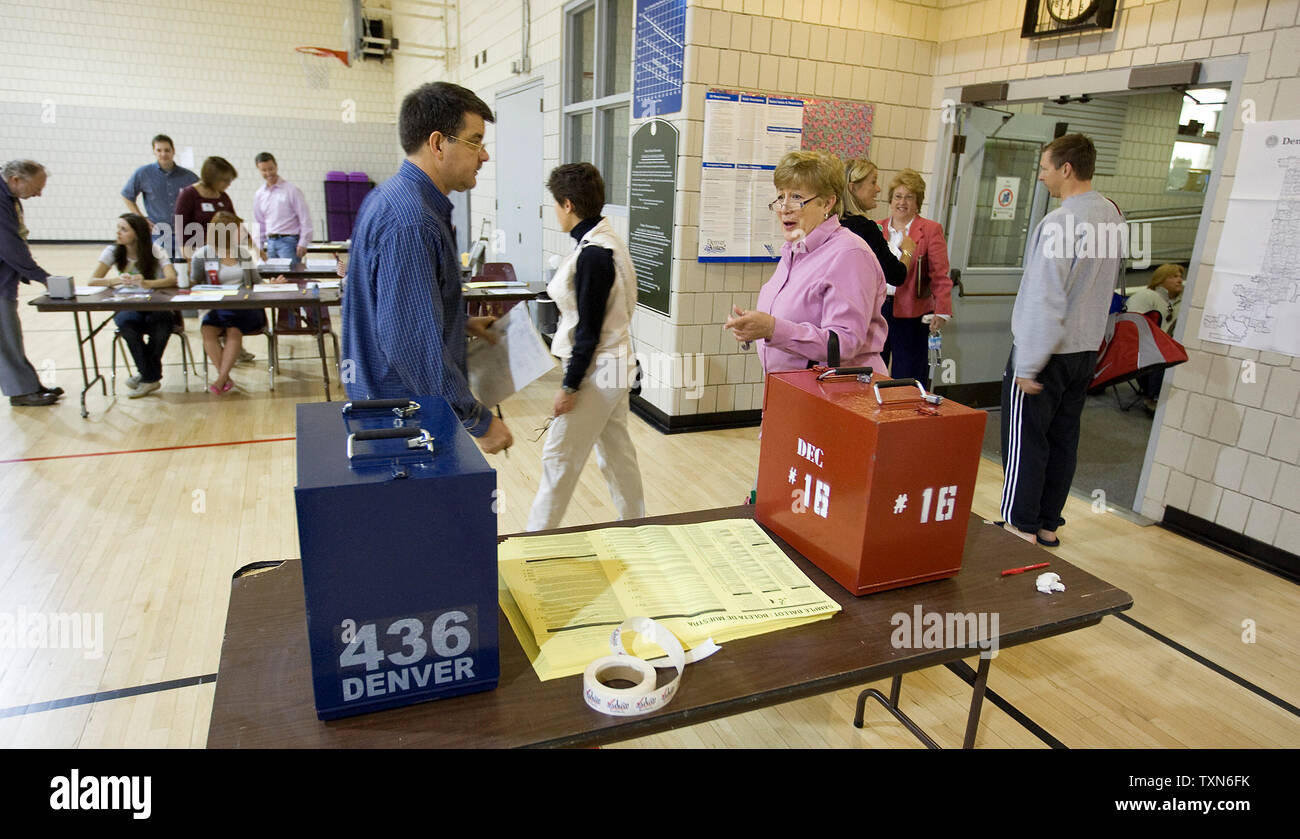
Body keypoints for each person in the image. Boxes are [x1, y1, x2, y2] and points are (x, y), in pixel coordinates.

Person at [341, 81, 512, 455]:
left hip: (387, 405)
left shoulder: (388, 198)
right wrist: (477, 420)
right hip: (405, 416)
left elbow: (388, 306)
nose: (484, 156)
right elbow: (410, 347)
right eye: (475, 141)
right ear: (438, 144)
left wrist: (457, 320)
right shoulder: (413, 221)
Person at [999, 134, 1124, 547]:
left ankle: (1020, 526)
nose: (1041, 175)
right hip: (1085, 351)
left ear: (1066, 169)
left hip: (1047, 353)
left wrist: (1029, 363)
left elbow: (1046, 294)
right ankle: (1048, 524)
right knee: (1063, 439)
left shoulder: (1059, 223)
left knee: (1026, 441)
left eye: (1045, 167)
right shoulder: (1112, 215)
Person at [527, 164, 646, 531]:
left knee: (559, 456)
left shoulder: (594, 254)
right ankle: (637, 526)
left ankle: (534, 541)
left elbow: (588, 333)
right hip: (616, 365)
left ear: (567, 204)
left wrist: (569, 386)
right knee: (616, 453)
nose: (554, 212)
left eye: (554, 205)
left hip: (598, 371)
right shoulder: (605, 241)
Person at [724, 150, 887, 376]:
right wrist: (754, 328)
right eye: (781, 196)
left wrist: (772, 328)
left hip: (837, 397)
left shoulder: (849, 254)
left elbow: (844, 344)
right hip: (792, 392)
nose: (784, 208)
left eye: (797, 198)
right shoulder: (796, 250)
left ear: (827, 203)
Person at [189, 212, 284, 394]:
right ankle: (225, 377)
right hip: (218, 306)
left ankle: (220, 380)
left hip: (246, 306)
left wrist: (272, 284)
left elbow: (256, 282)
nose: (242, 233)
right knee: (207, 330)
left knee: (233, 329)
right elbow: (195, 283)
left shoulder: (243, 254)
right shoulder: (202, 255)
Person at [88, 213, 179, 397]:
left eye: (124, 229)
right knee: (127, 324)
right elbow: (92, 280)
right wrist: (115, 280)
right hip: (127, 302)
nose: (118, 233)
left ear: (137, 233)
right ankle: (150, 377)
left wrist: (147, 283)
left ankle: (146, 376)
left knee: (162, 325)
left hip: (154, 303)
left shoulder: (156, 250)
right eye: (118, 228)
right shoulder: (112, 252)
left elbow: (172, 279)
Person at [879, 168, 953, 387]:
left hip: (912, 313)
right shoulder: (876, 228)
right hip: (877, 310)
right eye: (898, 196)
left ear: (918, 201)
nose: (902, 202)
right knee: (874, 371)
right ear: (890, 200)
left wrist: (942, 309)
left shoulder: (930, 230)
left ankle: (905, 419)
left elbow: (939, 273)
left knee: (907, 377)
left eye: (909, 197)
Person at [1, 160, 62, 406]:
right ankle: (21, 391)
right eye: (36, 187)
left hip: (5, 279)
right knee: (5, 337)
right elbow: (9, 245)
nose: (38, 193)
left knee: (10, 335)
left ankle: (28, 385)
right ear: (16, 179)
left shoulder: (8, 199)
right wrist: (43, 277)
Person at [120, 134, 198, 258]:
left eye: (167, 150)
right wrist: (141, 219)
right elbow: (127, 196)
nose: (163, 154)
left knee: (187, 270)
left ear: (173, 151)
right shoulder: (143, 173)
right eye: (159, 150)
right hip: (158, 233)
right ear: (154, 152)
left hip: (186, 234)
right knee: (164, 271)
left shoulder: (189, 177)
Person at [839, 158, 909, 288]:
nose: (878, 189)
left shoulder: (832, 222)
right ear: (853, 188)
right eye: (873, 182)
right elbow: (896, 275)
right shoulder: (865, 228)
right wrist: (907, 252)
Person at [1124, 263, 1185, 411]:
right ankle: (1154, 398)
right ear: (1161, 279)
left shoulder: (1183, 302)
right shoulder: (1146, 296)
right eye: (1174, 276)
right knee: (1163, 356)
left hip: (1166, 349)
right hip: (1141, 348)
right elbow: (1130, 324)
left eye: (1180, 277)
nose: (1179, 280)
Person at [251, 153, 314, 263]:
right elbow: (259, 223)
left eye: (271, 169)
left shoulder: (291, 190)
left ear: (276, 166)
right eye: (264, 170)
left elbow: (305, 218)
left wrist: (303, 242)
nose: (268, 173)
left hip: (290, 242)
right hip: (270, 242)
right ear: (259, 170)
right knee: (275, 278)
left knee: (291, 278)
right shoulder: (259, 194)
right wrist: (258, 248)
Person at [174, 157, 237, 258]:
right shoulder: (189, 194)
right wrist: (187, 255)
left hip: (223, 252)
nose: (229, 184)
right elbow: (180, 226)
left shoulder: (223, 196)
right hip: (198, 251)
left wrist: (253, 246)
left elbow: (236, 223)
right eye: (225, 180)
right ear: (212, 179)